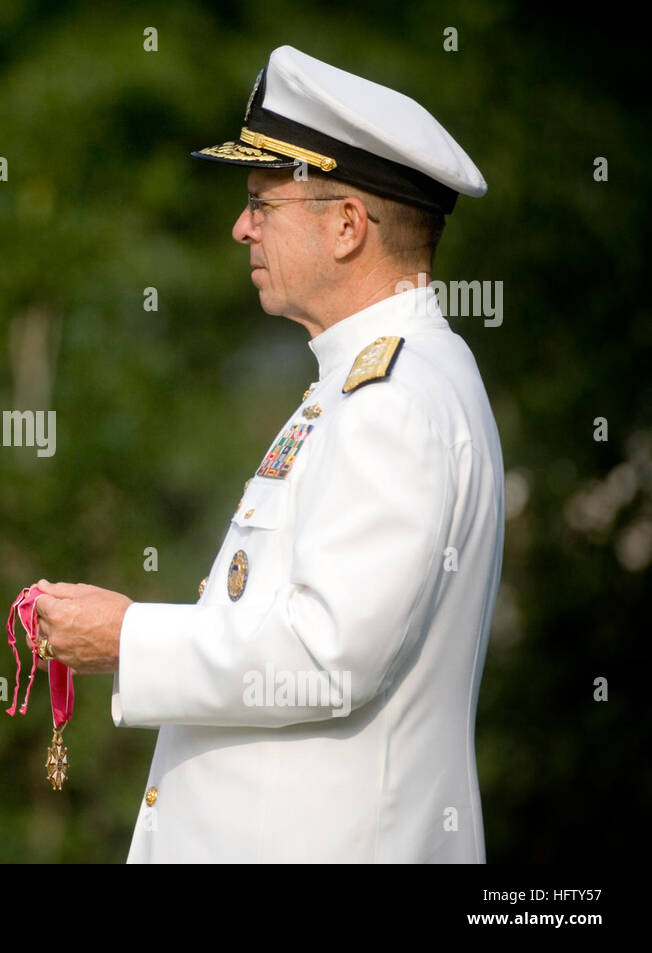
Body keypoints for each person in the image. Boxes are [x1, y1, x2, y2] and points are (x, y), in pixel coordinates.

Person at [32, 46, 503, 862]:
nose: (241, 226)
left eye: (262, 202)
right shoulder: (369, 378)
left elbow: (329, 656)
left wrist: (128, 638)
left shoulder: (392, 396)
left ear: (348, 226)